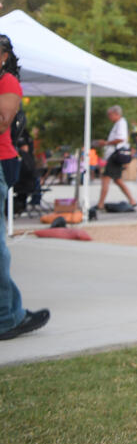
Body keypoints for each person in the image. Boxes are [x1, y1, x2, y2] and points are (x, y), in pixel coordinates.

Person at [0, 34, 51, 340]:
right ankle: (11, 313)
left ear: (4, 56)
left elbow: (3, 119)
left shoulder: (7, 83)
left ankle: (7, 316)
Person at [93, 105, 137, 212]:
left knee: (106, 178)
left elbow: (121, 138)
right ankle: (132, 200)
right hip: (114, 154)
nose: (109, 117)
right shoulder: (118, 124)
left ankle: (100, 204)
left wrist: (106, 143)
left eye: (110, 115)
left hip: (115, 155)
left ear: (116, 114)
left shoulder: (121, 123)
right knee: (117, 180)